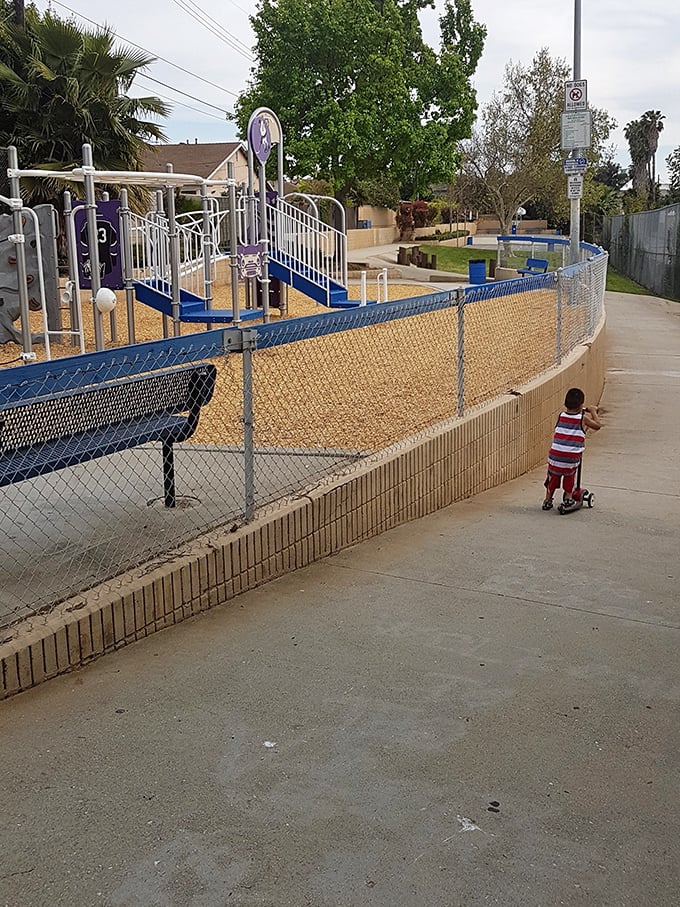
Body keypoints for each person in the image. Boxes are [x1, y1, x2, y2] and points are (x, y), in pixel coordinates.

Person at [542, 387, 601, 510]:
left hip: (554, 456)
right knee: (569, 476)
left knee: (553, 476)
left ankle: (547, 500)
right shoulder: (583, 419)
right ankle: (568, 498)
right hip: (570, 457)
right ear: (581, 406)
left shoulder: (560, 416)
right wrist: (593, 411)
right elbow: (597, 426)